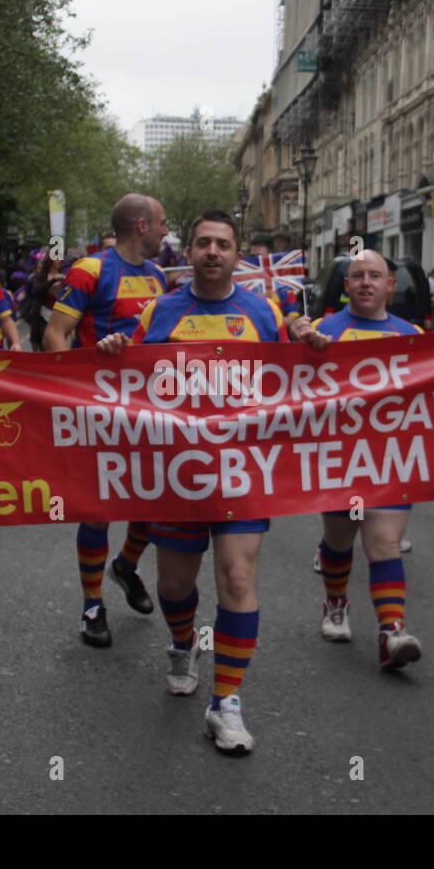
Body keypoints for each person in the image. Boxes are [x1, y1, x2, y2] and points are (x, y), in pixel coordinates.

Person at [97, 209, 332, 754]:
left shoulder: (263, 311)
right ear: (189, 251)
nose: (211, 252)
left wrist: (305, 335)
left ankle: (226, 703)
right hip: (176, 471)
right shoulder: (160, 309)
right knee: (176, 587)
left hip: (242, 469)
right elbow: (124, 374)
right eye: (202, 242)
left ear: (237, 254)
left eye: (222, 244)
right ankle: (184, 643)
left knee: (237, 577)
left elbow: (302, 373)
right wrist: (113, 352)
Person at [43, 194, 168, 646]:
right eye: (162, 224)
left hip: (149, 411)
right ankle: (92, 605)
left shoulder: (157, 276)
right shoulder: (91, 270)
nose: (166, 232)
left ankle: (125, 566)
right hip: (100, 409)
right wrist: (72, 394)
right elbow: (55, 333)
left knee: (155, 502)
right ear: (141, 225)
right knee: (99, 509)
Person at [310, 251, 423, 670]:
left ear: (390, 284)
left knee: (384, 543)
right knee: (339, 542)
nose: (365, 282)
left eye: (375, 275)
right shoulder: (324, 330)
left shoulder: (411, 334)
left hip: (389, 459)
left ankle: (391, 631)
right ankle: (336, 603)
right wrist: (302, 339)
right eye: (357, 275)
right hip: (339, 459)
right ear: (345, 285)